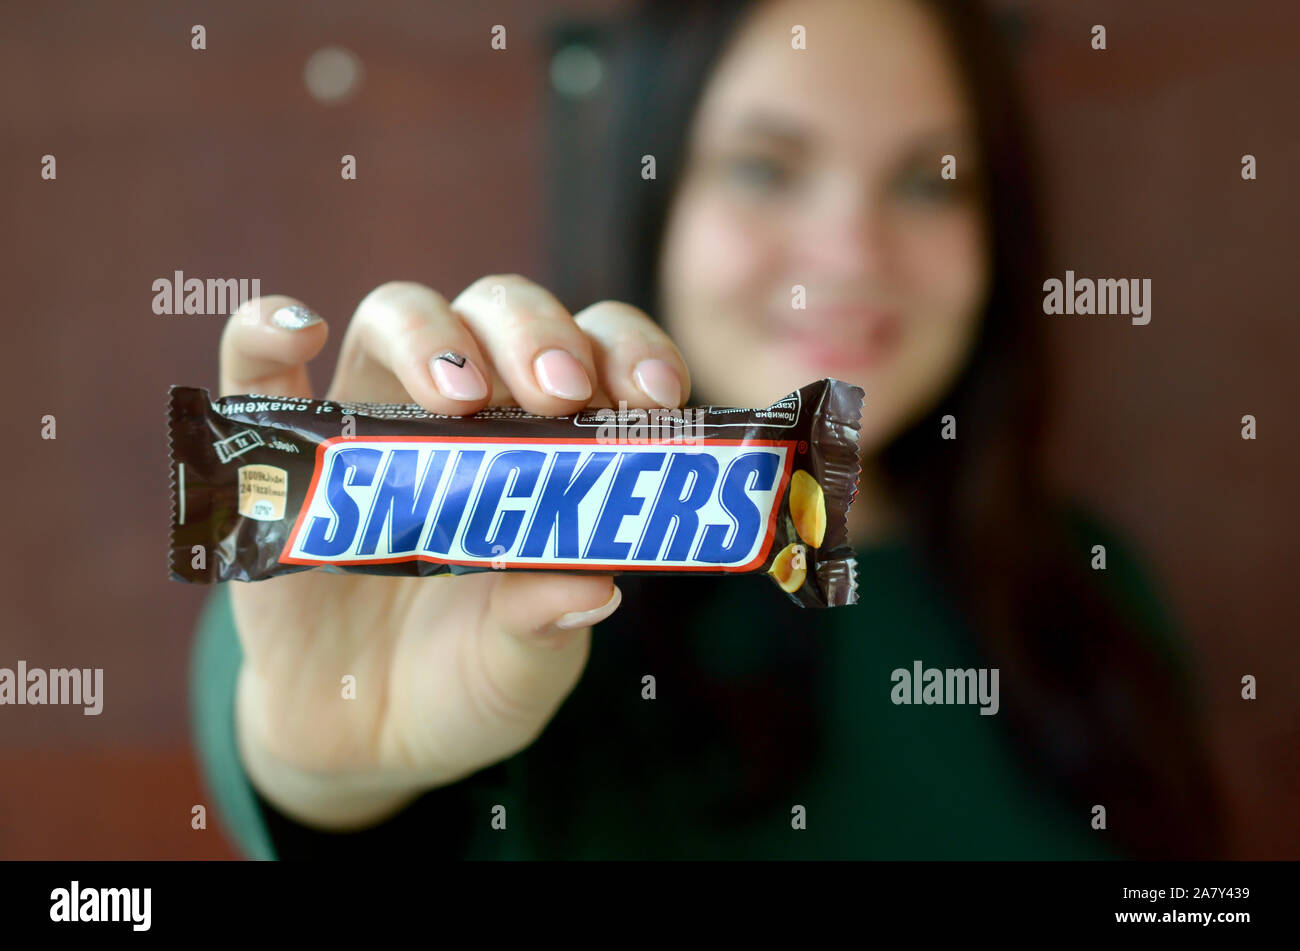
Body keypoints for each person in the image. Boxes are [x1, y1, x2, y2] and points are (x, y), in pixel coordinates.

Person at [190, 0, 1226, 859]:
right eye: (765, 167)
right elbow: (315, 748)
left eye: (928, 180)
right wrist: (330, 773)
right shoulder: (444, 585)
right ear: (654, 197)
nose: (851, 251)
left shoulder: (1093, 593)